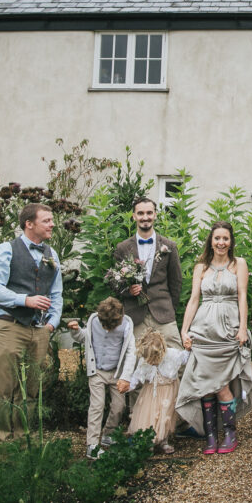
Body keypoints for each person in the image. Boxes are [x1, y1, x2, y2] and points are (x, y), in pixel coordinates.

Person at [176, 221, 252, 455]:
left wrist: (243, 328)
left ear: (231, 241)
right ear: (210, 241)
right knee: (205, 386)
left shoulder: (238, 264)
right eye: (217, 238)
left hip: (228, 329)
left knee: (222, 385)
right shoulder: (201, 267)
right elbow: (194, 300)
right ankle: (211, 437)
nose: (221, 243)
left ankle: (230, 434)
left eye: (225, 238)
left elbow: (243, 297)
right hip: (204, 329)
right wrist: (185, 330)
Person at [0, 202, 63, 441]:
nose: (52, 224)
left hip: (39, 331)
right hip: (10, 327)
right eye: (46, 221)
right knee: (4, 388)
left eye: (51, 220)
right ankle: (0, 439)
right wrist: (24, 300)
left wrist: (52, 324)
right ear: (29, 224)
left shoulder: (52, 254)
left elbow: (56, 293)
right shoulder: (6, 250)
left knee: (31, 389)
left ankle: (24, 438)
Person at [113, 196, 185, 452]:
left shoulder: (169, 246)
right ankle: (139, 431)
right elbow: (114, 282)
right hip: (136, 315)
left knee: (174, 369)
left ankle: (168, 430)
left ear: (155, 215)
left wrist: (168, 307)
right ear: (133, 216)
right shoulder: (123, 248)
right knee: (136, 371)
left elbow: (176, 283)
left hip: (164, 315)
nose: (145, 217)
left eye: (149, 213)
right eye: (140, 213)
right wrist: (127, 290)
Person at [67, 297, 137, 459]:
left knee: (119, 406)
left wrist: (126, 377)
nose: (108, 329)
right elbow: (83, 338)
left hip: (116, 373)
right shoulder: (93, 320)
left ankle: (108, 433)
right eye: (105, 325)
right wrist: (75, 330)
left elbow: (131, 352)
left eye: (112, 326)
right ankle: (92, 445)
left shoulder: (127, 324)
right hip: (97, 371)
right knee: (97, 406)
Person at [127, 329, 190, 453]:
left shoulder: (172, 355)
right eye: (149, 359)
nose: (151, 362)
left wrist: (188, 349)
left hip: (168, 392)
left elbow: (184, 358)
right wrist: (128, 386)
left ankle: (164, 441)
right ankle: (148, 441)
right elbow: (137, 376)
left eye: (153, 359)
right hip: (151, 394)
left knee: (165, 417)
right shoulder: (145, 360)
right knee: (150, 417)